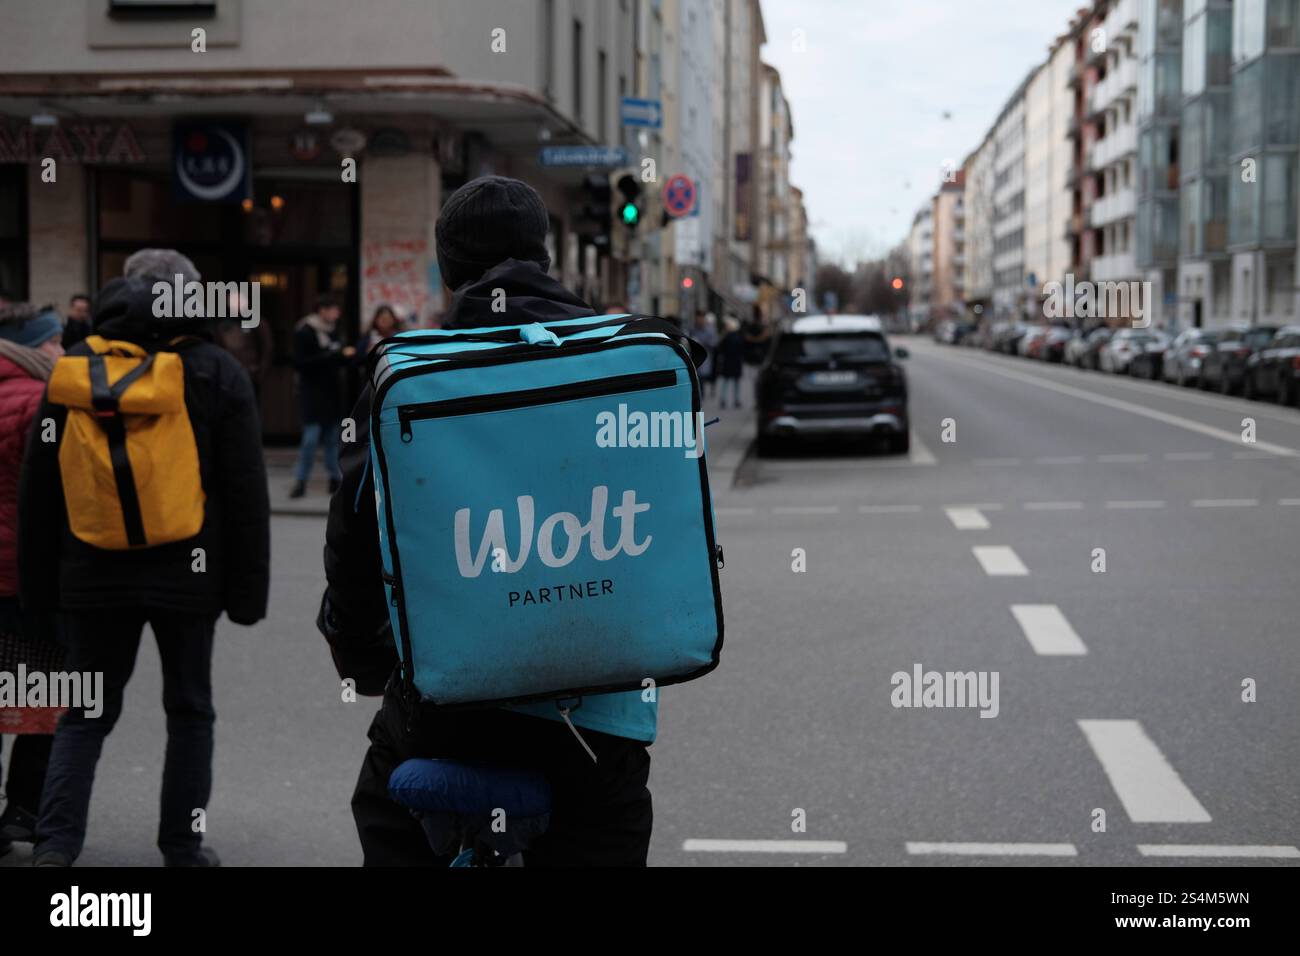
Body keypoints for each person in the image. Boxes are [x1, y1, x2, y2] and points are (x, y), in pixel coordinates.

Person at [319, 175, 655, 866]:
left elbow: (353, 543)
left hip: (445, 709)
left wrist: (360, 653)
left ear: (447, 271)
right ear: (546, 257)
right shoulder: (626, 361)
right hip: (595, 722)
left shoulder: (406, 376)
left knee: (387, 813)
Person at [19, 265, 271, 867]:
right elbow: (244, 492)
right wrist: (246, 594)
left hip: (91, 573)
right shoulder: (214, 371)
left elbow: (40, 490)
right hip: (189, 576)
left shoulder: (72, 371)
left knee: (83, 714)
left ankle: (55, 847)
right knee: (189, 711)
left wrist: (38, 590)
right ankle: (182, 846)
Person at [0, 303, 64, 857]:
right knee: (40, 695)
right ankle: (23, 809)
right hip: (22, 576)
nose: (62, 351)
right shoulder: (42, 401)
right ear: (33, 345)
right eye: (56, 341)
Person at [290, 294, 355, 499]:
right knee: (310, 439)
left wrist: (345, 357)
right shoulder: (305, 331)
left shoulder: (334, 331)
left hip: (332, 393)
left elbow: (338, 359)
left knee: (332, 441)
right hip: (312, 393)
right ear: (322, 310)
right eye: (333, 309)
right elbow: (301, 363)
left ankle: (334, 479)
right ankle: (300, 481)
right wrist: (332, 355)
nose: (337, 313)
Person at [717, 317, 745, 409]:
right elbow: (742, 350)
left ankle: (723, 399)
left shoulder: (726, 337)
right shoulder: (739, 337)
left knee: (726, 381)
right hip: (736, 362)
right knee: (736, 383)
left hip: (727, 362)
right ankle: (736, 400)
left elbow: (720, 349)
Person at [692, 310, 718, 398]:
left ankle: (705, 392)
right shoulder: (693, 329)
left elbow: (714, 343)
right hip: (695, 357)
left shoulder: (710, 331)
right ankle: (699, 394)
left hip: (706, 357)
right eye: (698, 319)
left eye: (701, 318)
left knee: (704, 376)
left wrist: (704, 342)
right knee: (698, 376)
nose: (699, 321)